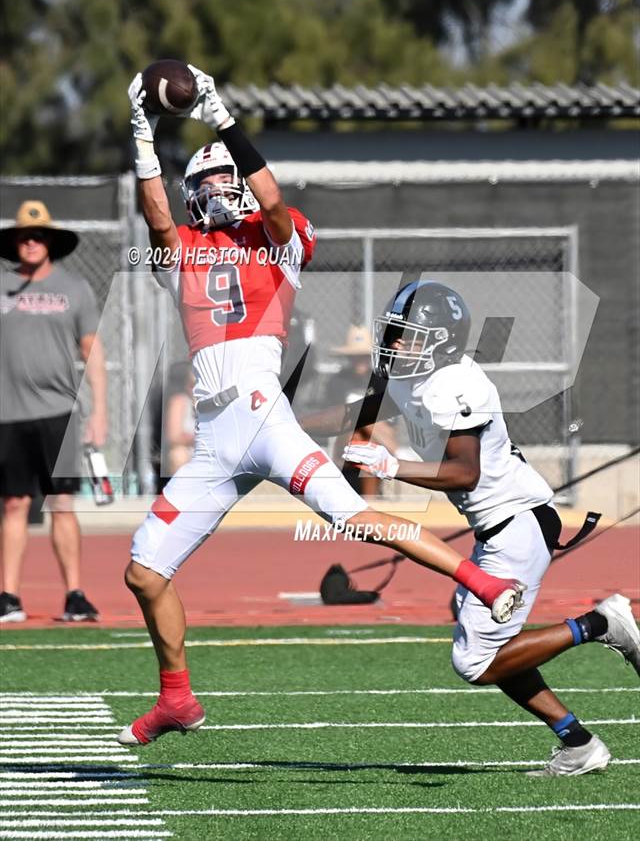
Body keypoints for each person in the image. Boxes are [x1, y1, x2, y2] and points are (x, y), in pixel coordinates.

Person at [118, 67, 526, 747]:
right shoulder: (183, 250)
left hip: (262, 416)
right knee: (142, 569)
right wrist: (141, 131)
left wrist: (224, 120)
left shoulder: (280, 241)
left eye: (227, 180)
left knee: (360, 519)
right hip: (215, 437)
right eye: (205, 184)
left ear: (245, 185)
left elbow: (275, 204)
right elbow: (157, 216)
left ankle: (484, 583)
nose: (216, 192)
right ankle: (176, 696)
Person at [326, 280, 639, 776]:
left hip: (516, 523)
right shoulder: (407, 371)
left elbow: (463, 472)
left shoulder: (458, 383)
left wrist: (391, 465)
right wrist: (284, 425)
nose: (395, 344)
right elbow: (359, 410)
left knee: (475, 661)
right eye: (396, 332)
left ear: (442, 340)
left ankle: (600, 624)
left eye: (409, 335)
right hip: (500, 524)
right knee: (492, 648)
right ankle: (577, 743)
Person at [0, 201, 106, 623]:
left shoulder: (74, 288)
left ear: (50, 242)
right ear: (15, 241)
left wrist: (100, 414)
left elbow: (93, 352)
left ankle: (75, 595)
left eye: (39, 235)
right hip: (7, 414)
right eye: (24, 235)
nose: (31, 241)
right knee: (13, 504)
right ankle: (8, 596)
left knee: (62, 504)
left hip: (59, 411)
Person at [327, 325, 397, 497]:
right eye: (355, 357)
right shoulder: (337, 383)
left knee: (364, 435)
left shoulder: (381, 382)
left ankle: (369, 500)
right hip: (346, 440)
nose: (360, 362)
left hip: (377, 438)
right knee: (356, 433)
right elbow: (334, 421)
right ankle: (367, 501)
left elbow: (390, 426)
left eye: (363, 357)